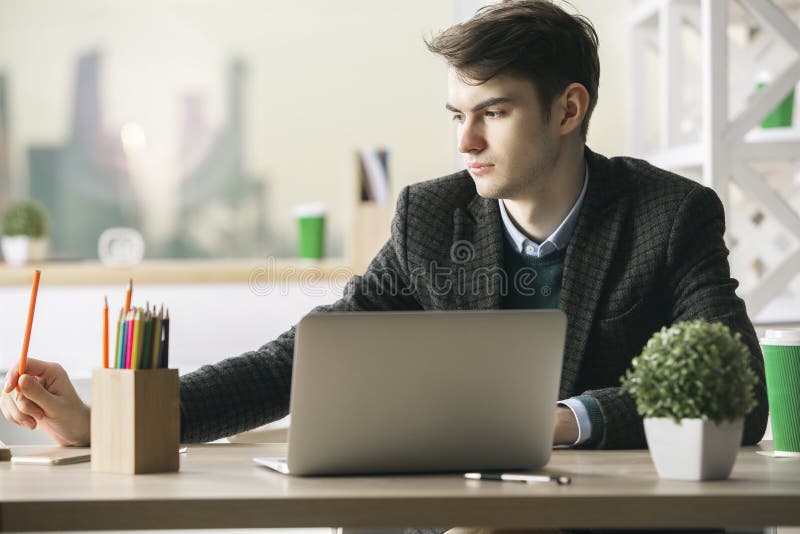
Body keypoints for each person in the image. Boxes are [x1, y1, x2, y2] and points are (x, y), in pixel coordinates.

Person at [2, 0, 767, 452]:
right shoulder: (430, 218)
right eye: (457, 117)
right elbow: (294, 362)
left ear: (568, 110)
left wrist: (564, 420)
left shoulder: (670, 216)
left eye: (493, 115)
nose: (465, 142)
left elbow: (746, 396)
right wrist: (107, 422)